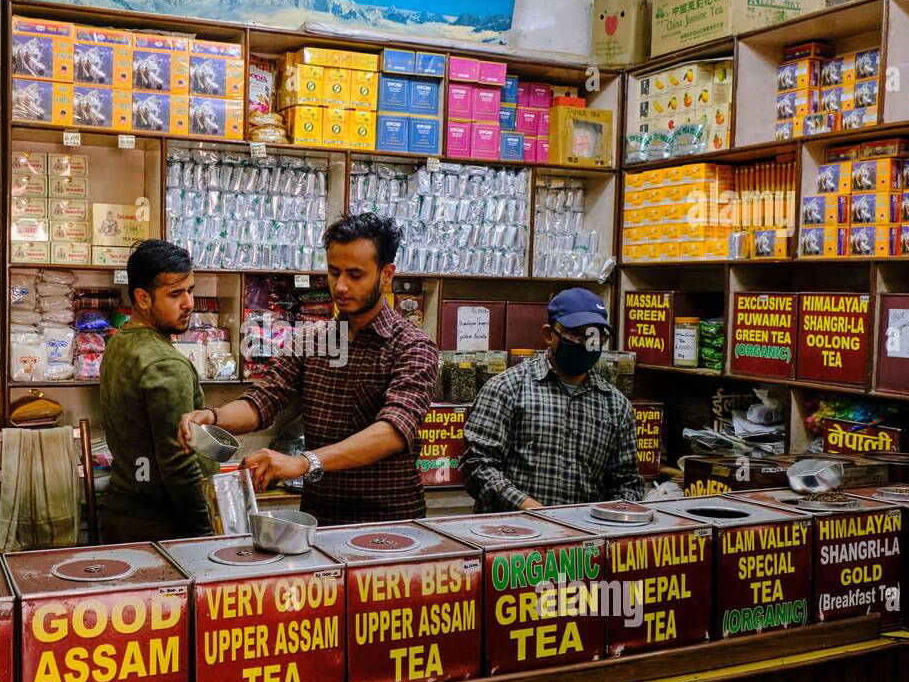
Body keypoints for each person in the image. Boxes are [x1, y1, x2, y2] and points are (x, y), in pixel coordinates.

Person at [178, 212, 439, 525]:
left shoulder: (412, 346)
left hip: (389, 523)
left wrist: (304, 462)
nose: (340, 286)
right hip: (321, 517)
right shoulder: (312, 339)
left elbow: (393, 431)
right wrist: (215, 418)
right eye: (333, 272)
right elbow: (264, 399)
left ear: (386, 274)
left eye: (355, 275)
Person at [460, 288, 644, 511]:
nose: (585, 344)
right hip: (512, 535)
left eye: (595, 337)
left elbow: (627, 483)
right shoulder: (507, 388)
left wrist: (611, 518)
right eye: (575, 335)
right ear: (549, 334)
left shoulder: (616, 405)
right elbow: (477, 465)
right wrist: (528, 507)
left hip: (582, 540)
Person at [99, 240, 216, 542]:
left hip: (122, 513)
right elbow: (179, 463)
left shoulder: (119, 342)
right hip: (162, 526)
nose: (189, 302)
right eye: (175, 294)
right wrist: (205, 534)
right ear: (143, 298)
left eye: (190, 290)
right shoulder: (165, 364)